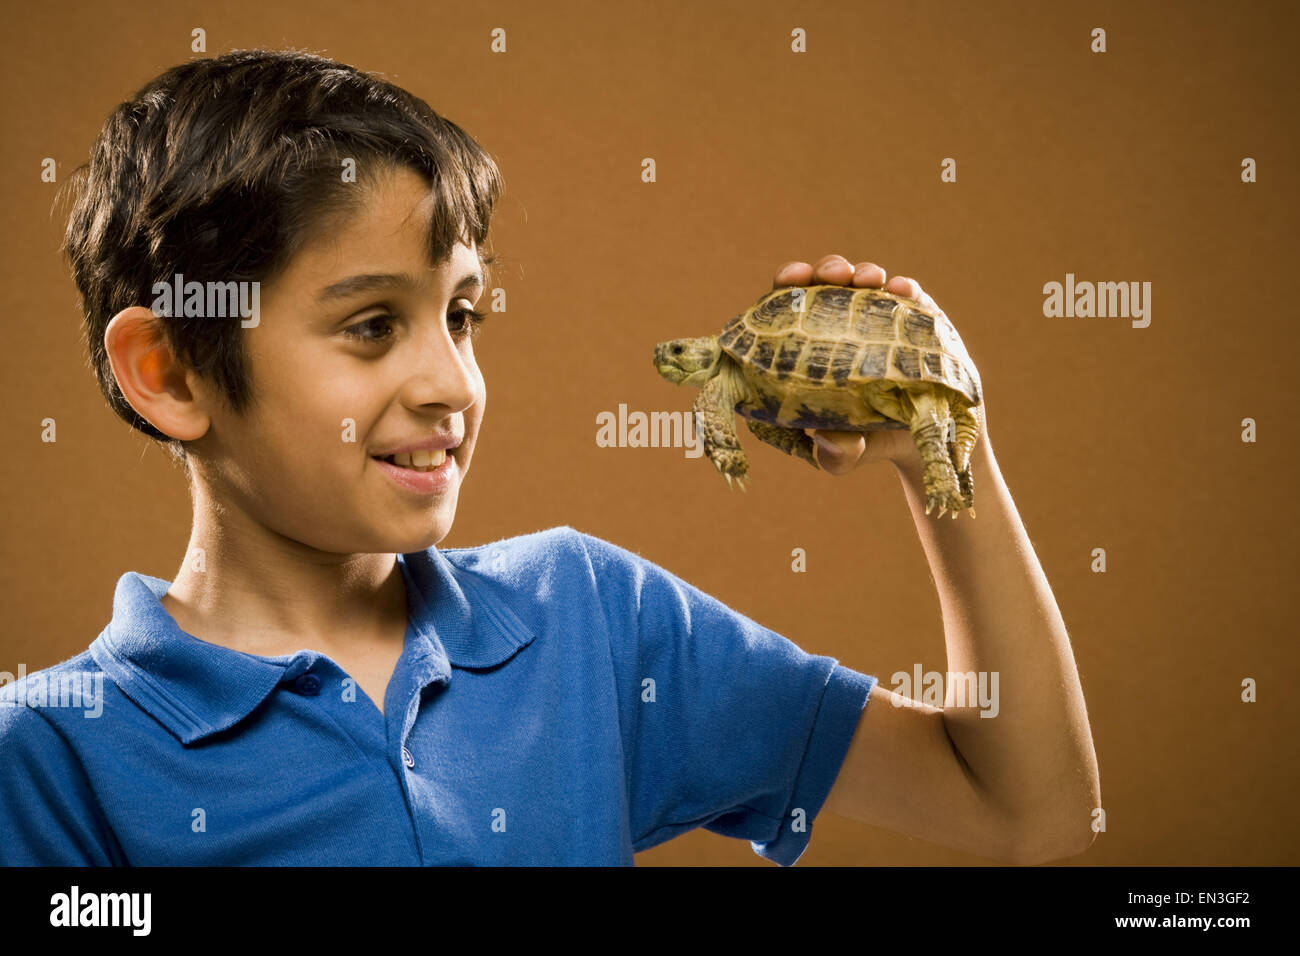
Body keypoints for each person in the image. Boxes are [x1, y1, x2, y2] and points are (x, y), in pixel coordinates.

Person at [0, 49, 1098, 866]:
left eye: (463, 316)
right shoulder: (55, 753)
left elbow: (1023, 808)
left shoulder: (587, 620)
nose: (451, 382)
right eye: (372, 325)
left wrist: (944, 445)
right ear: (171, 372)